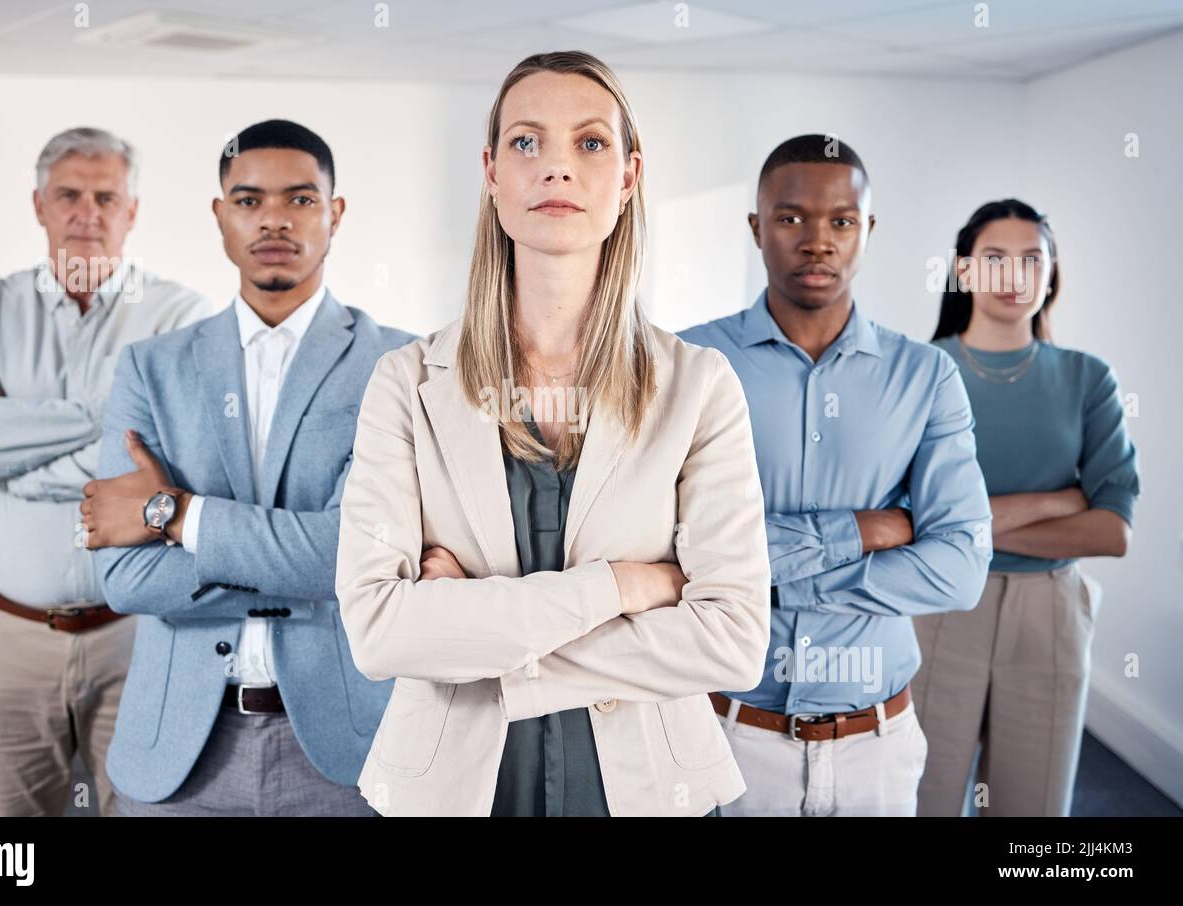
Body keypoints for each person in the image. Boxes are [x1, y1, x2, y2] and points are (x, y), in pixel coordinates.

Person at [335, 51, 772, 818]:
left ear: (630, 176)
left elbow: (732, 640)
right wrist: (626, 587)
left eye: (591, 143)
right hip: (453, 786)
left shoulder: (700, 387)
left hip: (645, 786)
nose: (557, 169)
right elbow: (378, 633)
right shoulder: (405, 383)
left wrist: (478, 627)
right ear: (491, 172)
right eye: (527, 143)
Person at [81, 119, 416, 816]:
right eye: (248, 200)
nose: (274, 220)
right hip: (178, 751)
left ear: (335, 214)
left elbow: (353, 558)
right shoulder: (153, 368)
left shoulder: (399, 366)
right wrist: (307, 573)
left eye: (299, 200)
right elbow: (125, 577)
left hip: (345, 746)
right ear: (220, 215)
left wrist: (175, 514)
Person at [678, 134, 993, 816]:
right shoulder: (689, 363)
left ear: (867, 230)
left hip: (876, 748)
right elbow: (667, 547)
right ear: (757, 228)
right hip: (725, 736)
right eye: (791, 218)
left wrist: (764, 572)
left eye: (841, 221)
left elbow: (960, 568)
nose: (817, 241)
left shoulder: (926, 376)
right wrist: (862, 530)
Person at [0, 126, 212, 816]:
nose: (87, 211)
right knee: (5, 833)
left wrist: (10, 439)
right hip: (8, 636)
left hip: (137, 634)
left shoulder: (179, 315)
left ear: (131, 211)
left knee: (147, 807)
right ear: (39, 205)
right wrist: (105, 419)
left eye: (106, 196)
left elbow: (179, 460)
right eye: (69, 194)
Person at [912, 199, 1139, 817]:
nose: (1014, 276)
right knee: (923, 797)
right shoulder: (919, 371)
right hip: (941, 606)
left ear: (1052, 273)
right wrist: (1054, 501)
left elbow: (1112, 531)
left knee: (1032, 814)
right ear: (963, 271)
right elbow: (907, 523)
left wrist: (966, 523)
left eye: (1031, 259)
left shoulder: (1089, 379)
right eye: (994, 259)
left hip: (1050, 615)